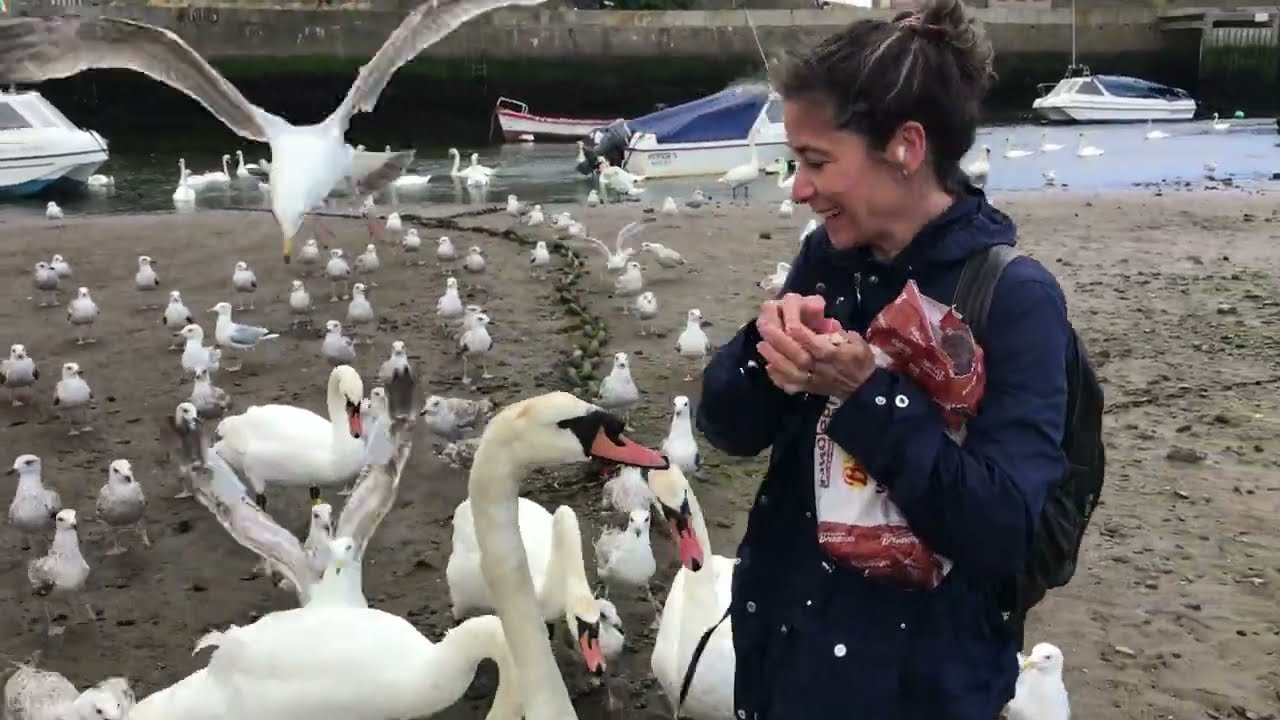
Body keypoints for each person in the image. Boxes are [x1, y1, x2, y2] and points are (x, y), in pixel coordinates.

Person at [696, 1, 1073, 718]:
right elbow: (729, 427)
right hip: (782, 654)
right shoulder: (831, 259)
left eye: (815, 163)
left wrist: (868, 393)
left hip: (917, 688)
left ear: (905, 147)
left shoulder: (1014, 299)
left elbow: (1002, 528)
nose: (798, 190)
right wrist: (764, 344)